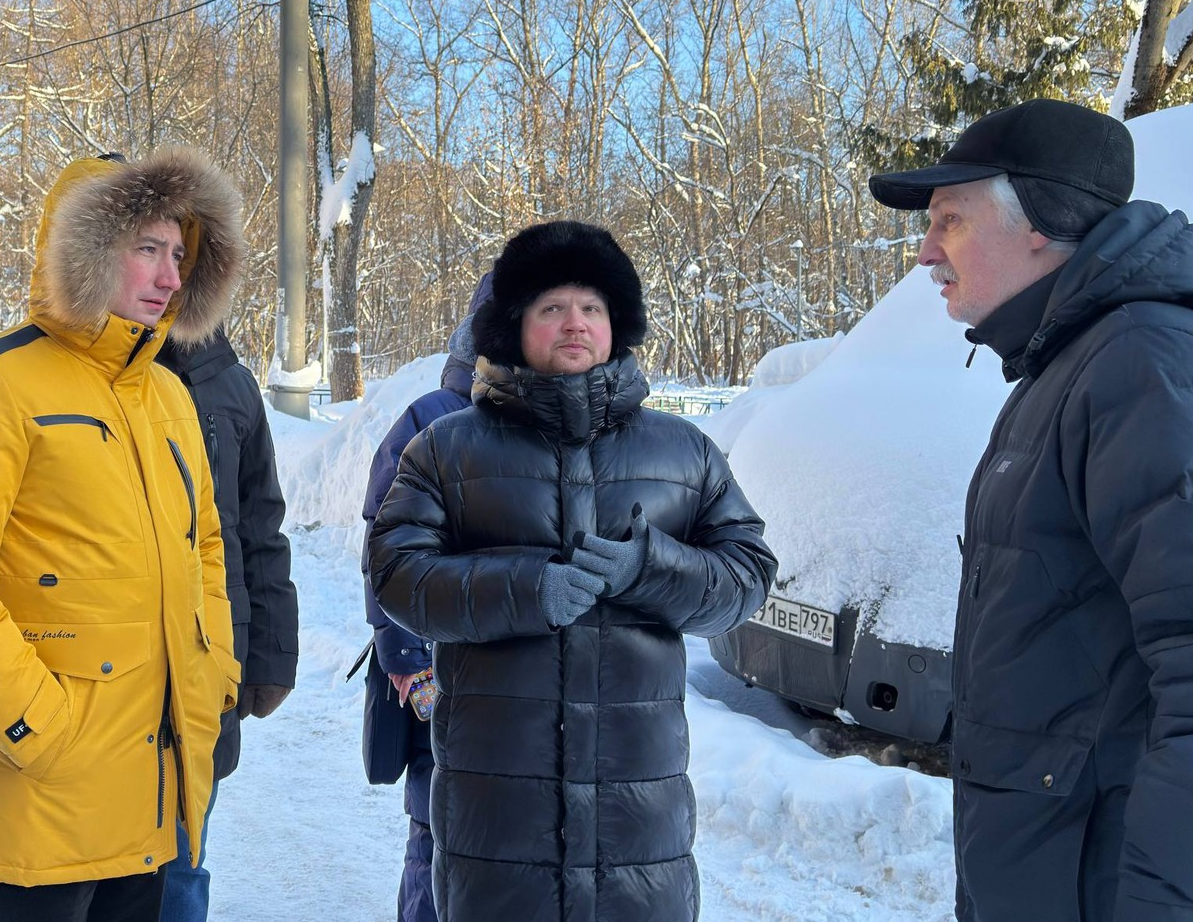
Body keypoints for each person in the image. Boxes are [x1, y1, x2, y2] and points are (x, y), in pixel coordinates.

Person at [867, 98, 1193, 922]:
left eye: (950, 221)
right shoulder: (1071, 365)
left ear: (1041, 218)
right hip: (1055, 871)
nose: (926, 252)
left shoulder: (1150, 366)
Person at [368, 221, 776, 922]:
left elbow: (746, 577)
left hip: (638, 819)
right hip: (497, 816)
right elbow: (397, 575)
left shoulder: (686, 453)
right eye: (551, 308)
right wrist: (529, 588)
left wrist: (652, 567)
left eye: (591, 308)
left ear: (616, 323)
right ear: (514, 325)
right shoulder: (447, 449)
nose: (574, 324)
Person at [0, 148, 245, 922]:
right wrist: (40, 725)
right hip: (42, 796)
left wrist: (213, 673)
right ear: (83, 250)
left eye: (179, 253)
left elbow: (208, 551)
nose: (169, 277)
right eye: (146, 249)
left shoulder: (168, 397)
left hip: (156, 790)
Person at [356, 273, 491, 922]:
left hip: (514, 690)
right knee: (437, 830)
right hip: (437, 672)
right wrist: (406, 660)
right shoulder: (434, 419)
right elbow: (385, 547)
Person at [153, 325, 300, 920]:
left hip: (209, 666)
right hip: (106, 674)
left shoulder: (233, 385)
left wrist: (269, 659)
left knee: (184, 865)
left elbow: (261, 531)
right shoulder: (84, 370)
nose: (167, 276)